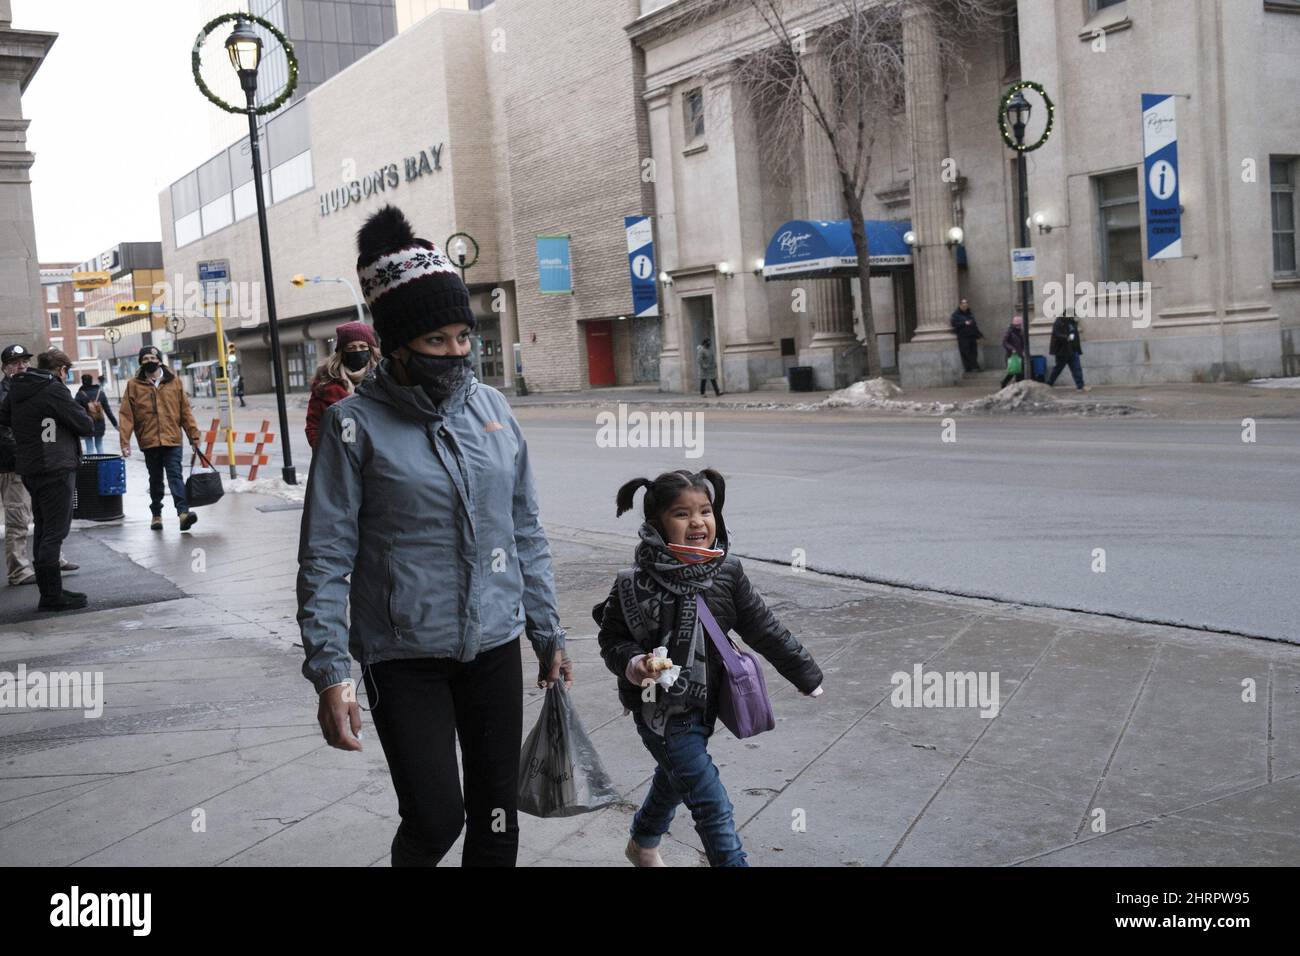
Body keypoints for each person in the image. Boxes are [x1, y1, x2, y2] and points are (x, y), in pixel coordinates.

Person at [298, 204, 571, 867]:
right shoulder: (352, 427)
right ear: (396, 346)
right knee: (434, 817)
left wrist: (548, 630)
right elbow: (325, 556)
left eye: (462, 336)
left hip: (495, 642)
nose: (455, 353)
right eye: (436, 341)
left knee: (497, 818)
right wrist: (332, 674)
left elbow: (525, 528)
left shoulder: (493, 409)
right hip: (403, 651)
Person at [594, 469, 824, 867]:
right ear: (657, 526)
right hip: (659, 711)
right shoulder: (633, 583)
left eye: (705, 510)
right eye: (682, 514)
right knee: (711, 803)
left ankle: (643, 843)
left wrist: (804, 672)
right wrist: (635, 663)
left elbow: (762, 626)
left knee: (674, 777)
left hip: (707, 702)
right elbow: (612, 639)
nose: (698, 521)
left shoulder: (726, 571)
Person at [0, 349, 93, 611]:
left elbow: (5, 417)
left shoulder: (19, 388)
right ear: (62, 370)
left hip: (31, 468)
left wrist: (36, 428)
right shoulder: (53, 389)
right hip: (57, 467)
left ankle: (50, 591)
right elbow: (84, 425)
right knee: (54, 532)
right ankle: (52, 597)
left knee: (42, 529)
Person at [118, 346, 203, 532]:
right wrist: (125, 442)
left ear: (159, 360)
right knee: (155, 479)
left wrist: (193, 436)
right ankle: (156, 514)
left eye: (152, 357)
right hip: (149, 441)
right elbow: (126, 416)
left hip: (172, 439)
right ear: (141, 362)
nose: (149, 360)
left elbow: (185, 412)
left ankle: (183, 513)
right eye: (145, 358)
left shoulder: (175, 382)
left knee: (175, 476)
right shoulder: (133, 385)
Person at [304, 321, 379, 449]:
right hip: (339, 456)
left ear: (370, 349)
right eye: (351, 348)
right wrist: (329, 453)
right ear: (342, 352)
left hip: (375, 456)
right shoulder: (325, 383)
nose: (358, 351)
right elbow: (313, 427)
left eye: (362, 346)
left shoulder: (382, 378)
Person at [0, 344, 36, 586]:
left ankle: (44, 561)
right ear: (4, 368)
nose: (22, 366)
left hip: (24, 463)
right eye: (15, 362)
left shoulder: (27, 388)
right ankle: (18, 571)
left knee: (28, 515)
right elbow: (5, 433)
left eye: (25, 361)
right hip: (11, 466)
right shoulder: (4, 393)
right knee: (17, 518)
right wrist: (23, 458)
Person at [1047, 309, 1091, 391]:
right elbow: (1056, 334)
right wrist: (1066, 338)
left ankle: (1080, 386)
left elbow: (1075, 335)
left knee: (1076, 368)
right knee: (1058, 368)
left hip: (1072, 350)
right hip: (1062, 351)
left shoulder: (1072, 322)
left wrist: (1077, 347)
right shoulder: (1059, 322)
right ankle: (1049, 383)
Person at [74, 372, 118, 455]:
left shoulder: (80, 395)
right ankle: (101, 465)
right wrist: (115, 424)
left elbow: (75, 411)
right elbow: (108, 411)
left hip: (87, 424)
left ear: (83, 382)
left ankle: (92, 467)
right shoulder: (100, 393)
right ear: (91, 381)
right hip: (100, 424)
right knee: (99, 445)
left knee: (89, 448)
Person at [950, 298, 983, 373]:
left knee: (974, 352)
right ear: (960, 305)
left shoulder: (970, 314)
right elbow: (954, 324)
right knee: (965, 352)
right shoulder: (956, 315)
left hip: (972, 335)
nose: (965, 305)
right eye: (963, 303)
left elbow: (974, 324)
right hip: (963, 336)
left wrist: (978, 334)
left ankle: (975, 366)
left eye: (966, 303)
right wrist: (964, 323)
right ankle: (969, 368)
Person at [1000, 314, 1026, 389]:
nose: (1018, 326)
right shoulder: (1009, 331)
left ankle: (1018, 387)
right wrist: (1012, 349)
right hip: (1011, 354)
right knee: (1013, 371)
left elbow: (1023, 343)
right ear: (1014, 324)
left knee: (1019, 371)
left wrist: (1023, 351)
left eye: (1019, 324)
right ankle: (1004, 382)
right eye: (1017, 324)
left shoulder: (1021, 332)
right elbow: (1004, 342)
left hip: (1020, 354)